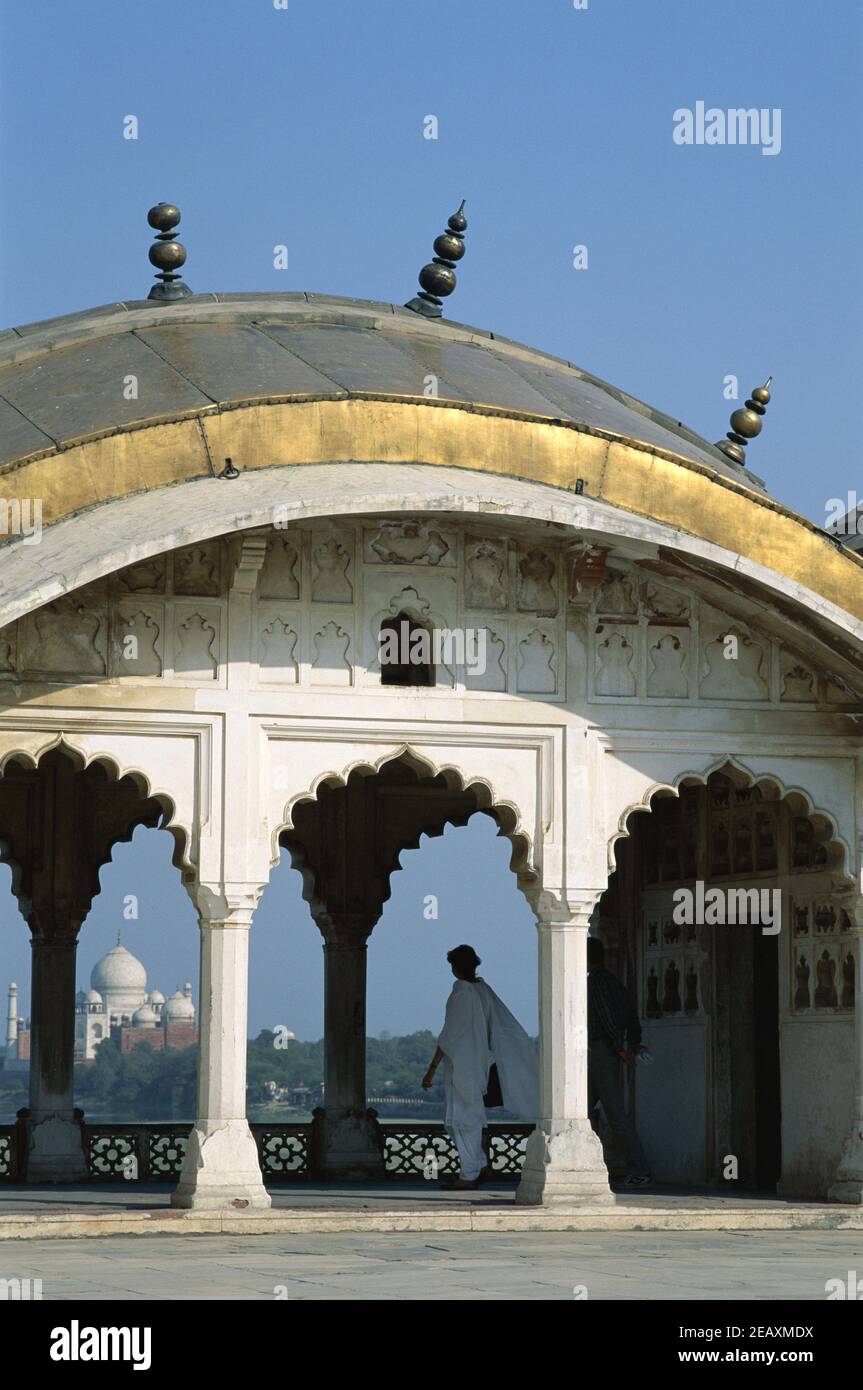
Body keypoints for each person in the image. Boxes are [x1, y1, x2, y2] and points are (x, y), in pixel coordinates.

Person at [422, 945, 538, 1190]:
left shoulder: (462, 992)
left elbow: (449, 1035)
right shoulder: (483, 990)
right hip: (478, 1064)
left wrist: (431, 1069)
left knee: (463, 1119)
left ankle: (469, 1174)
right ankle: (477, 1164)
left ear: (455, 967)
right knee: (464, 1118)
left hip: (462, 1066)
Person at [587, 935, 652, 1188]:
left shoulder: (597, 983)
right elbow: (629, 1014)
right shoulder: (612, 981)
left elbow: (608, 1019)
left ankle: (641, 1169)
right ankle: (591, 1164)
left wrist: (621, 1048)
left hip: (601, 1051)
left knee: (615, 1114)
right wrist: (632, 1043)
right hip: (602, 1052)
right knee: (581, 1112)